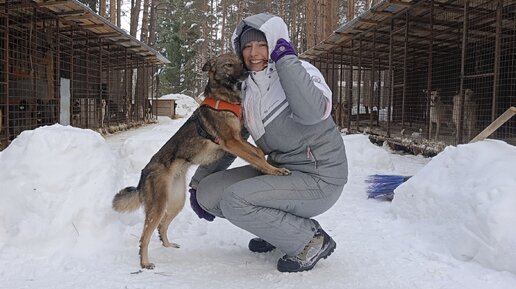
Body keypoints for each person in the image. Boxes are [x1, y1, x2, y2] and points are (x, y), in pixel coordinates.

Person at [188, 13, 348, 273]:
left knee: (235, 200)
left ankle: (310, 240)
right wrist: (197, 183)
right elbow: (231, 142)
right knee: (209, 192)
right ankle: (278, 230)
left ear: (273, 43)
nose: (254, 53)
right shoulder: (246, 92)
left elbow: (313, 112)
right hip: (282, 173)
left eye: (261, 44)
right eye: (247, 46)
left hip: (321, 178)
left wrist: (285, 59)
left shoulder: (302, 71)